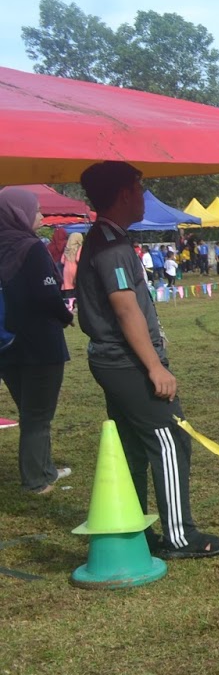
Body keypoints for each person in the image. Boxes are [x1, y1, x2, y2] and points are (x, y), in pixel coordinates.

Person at [76, 162, 219, 558]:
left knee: (131, 444)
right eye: (141, 187)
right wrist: (154, 366)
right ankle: (180, 536)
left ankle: (134, 528)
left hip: (114, 359)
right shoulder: (111, 246)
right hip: (125, 361)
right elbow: (125, 309)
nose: (145, 195)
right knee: (169, 439)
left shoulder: (108, 238)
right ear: (126, 193)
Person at [0, 188, 74, 494]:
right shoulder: (31, 248)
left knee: (32, 411)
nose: (41, 216)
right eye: (36, 210)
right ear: (19, 213)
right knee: (37, 415)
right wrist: (66, 315)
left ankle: (45, 468)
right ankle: (36, 480)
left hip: (7, 345)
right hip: (40, 344)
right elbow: (47, 294)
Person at [61, 231, 83, 312]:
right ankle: (75, 303)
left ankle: (69, 305)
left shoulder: (67, 248)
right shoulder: (79, 247)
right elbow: (78, 259)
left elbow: (62, 261)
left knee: (68, 287)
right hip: (75, 268)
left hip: (66, 269)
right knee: (76, 286)